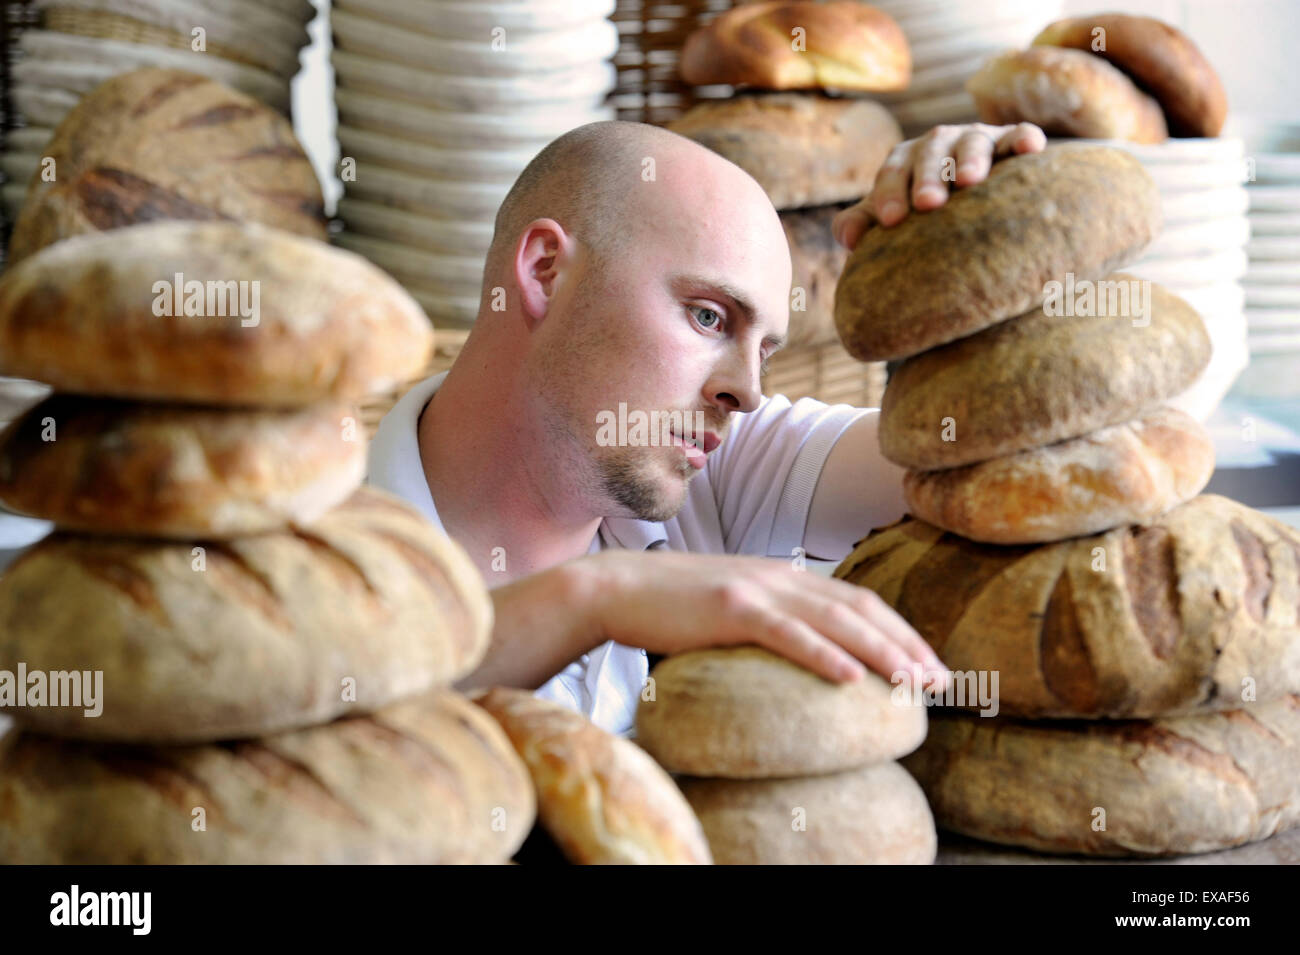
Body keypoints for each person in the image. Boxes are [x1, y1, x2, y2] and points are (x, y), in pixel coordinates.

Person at [368, 120, 1048, 735]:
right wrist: (593, 599)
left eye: (766, 350)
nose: (747, 391)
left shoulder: (718, 467)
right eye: (709, 317)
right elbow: (329, 726)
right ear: (547, 272)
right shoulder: (315, 536)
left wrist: (995, 228)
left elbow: (1020, 451)